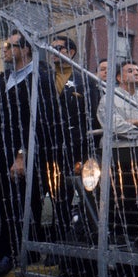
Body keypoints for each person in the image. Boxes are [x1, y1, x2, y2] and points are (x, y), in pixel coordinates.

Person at [0, 30, 57, 277]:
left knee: (16, 201)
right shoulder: (5, 77)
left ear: (26, 49)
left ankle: (11, 253)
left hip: (18, 150)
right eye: (5, 46)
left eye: (11, 46)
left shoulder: (40, 78)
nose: (5, 51)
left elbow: (40, 121)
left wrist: (22, 154)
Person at [48, 35, 101, 233]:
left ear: (70, 52)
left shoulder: (85, 80)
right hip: (47, 143)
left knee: (65, 193)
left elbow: (93, 116)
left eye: (58, 48)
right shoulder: (44, 76)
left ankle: (61, 238)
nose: (53, 52)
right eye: (51, 48)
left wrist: (88, 152)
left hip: (74, 146)